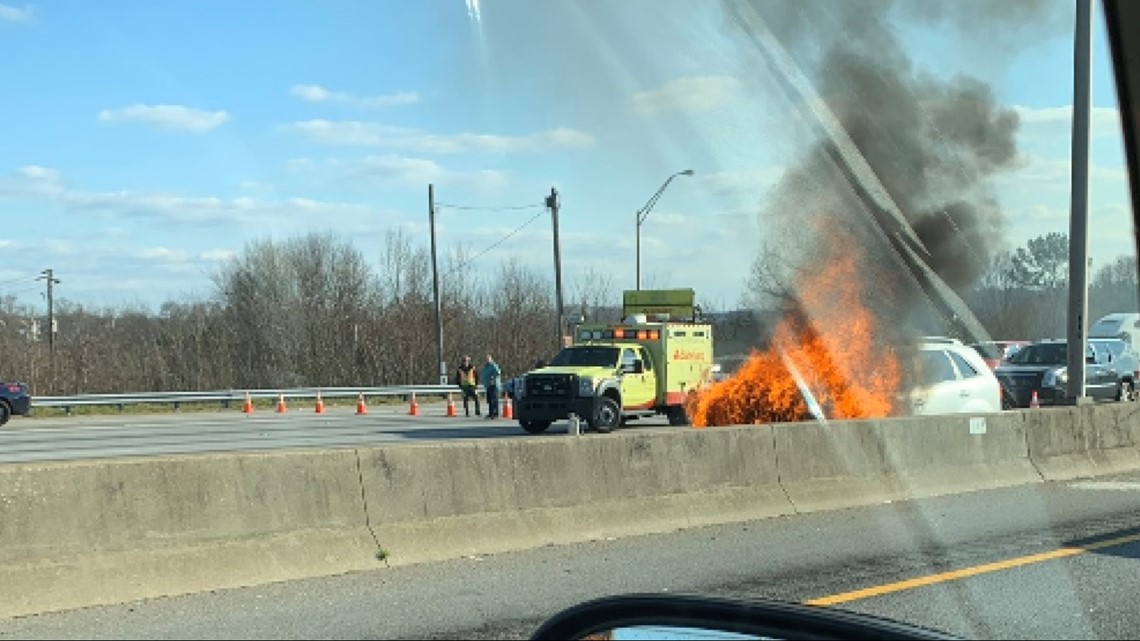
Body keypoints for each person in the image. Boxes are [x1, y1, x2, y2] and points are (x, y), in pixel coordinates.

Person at [481, 354, 502, 419]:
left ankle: (495, 413)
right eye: (486, 359)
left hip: (493, 384)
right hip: (488, 385)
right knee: (489, 400)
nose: (487, 360)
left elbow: (498, 372)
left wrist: (493, 377)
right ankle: (490, 413)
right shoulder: (485, 366)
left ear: (491, 359)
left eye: (488, 359)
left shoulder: (493, 365)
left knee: (494, 399)